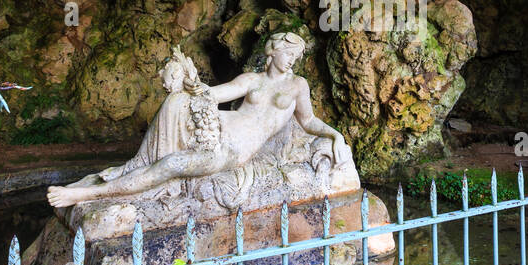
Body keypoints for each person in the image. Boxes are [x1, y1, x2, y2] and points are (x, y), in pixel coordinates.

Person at [47, 32, 352, 209]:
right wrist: (192, 83)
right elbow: (213, 95)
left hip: (235, 146)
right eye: (289, 54)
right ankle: (136, 163)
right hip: (220, 125)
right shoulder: (252, 79)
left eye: (296, 57)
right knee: (178, 101)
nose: (292, 61)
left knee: (171, 166)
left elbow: (309, 121)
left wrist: (336, 136)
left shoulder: (298, 86)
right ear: (273, 54)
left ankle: (87, 194)